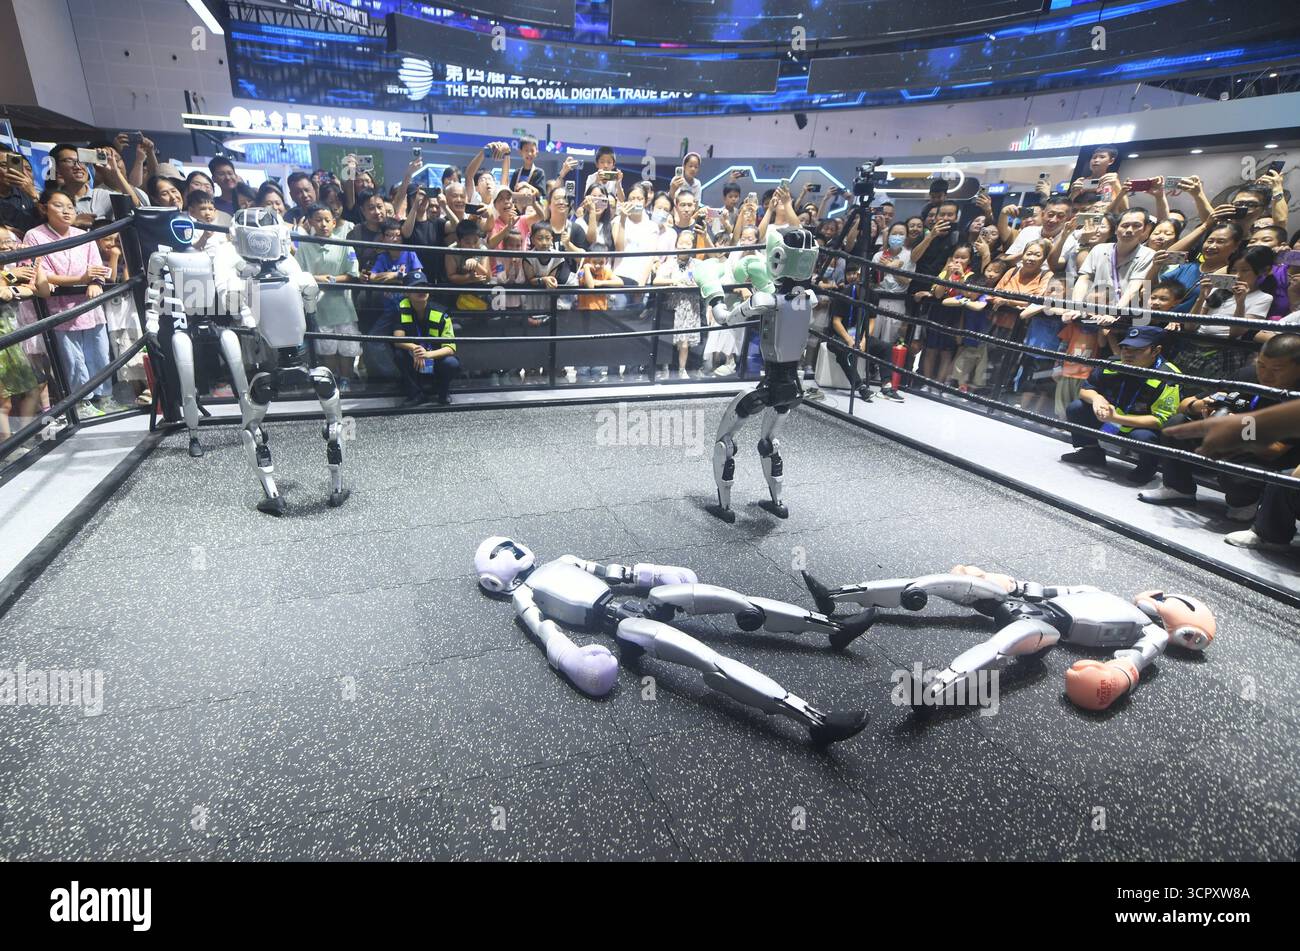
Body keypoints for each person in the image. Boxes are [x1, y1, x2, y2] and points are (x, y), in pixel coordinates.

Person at [1139, 332, 1300, 524]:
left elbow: (1274, 451)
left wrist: (1240, 428)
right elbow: (1184, 404)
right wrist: (1202, 406)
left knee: (1240, 464)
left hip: (1267, 459)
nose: (1265, 374)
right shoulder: (1247, 375)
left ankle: (1245, 503)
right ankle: (1178, 488)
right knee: (1178, 423)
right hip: (1231, 441)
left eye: (1277, 369)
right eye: (1261, 365)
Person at [20, 188, 117, 416]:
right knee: (72, 360)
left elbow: (96, 266)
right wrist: (80, 279)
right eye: (58, 205)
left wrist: (94, 281)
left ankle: (106, 398)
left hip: (88, 304)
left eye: (70, 207)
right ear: (44, 209)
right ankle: (82, 403)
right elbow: (38, 272)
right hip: (58, 306)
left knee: (100, 353)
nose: (66, 211)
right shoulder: (34, 235)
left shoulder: (83, 234)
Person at [1060, 326, 1182, 485]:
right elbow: (1086, 389)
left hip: (1138, 426)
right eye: (1125, 347)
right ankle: (1090, 451)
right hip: (1110, 418)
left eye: (1137, 349)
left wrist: (1118, 418)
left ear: (1155, 351)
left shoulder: (1169, 375)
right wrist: (1097, 399)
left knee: (1144, 437)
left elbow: (1161, 420)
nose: (1128, 353)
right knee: (1077, 407)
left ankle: (1147, 468)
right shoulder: (1113, 363)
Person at [296, 204, 362, 391]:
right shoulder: (304, 246)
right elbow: (298, 274)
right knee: (327, 346)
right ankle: (331, 380)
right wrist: (317, 279)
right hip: (319, 306)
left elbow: (352, 273)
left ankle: (346, 379)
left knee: (347, 346)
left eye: (327, 220)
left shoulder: (344, 244)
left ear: (334, 222)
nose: (323, 224)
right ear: (310, 222)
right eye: (318, 220)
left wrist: (331, 279)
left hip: (343, 304)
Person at [828, 262, 903, 402]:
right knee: (843, 349)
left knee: (885, 347)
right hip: (839, 335)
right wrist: (850, 340)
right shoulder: (844, 294)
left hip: (860, 335)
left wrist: (864, 340)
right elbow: (836, 322)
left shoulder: (873, 296)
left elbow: (872, 320)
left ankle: (886, 386)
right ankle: (860, 387)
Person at [391, 282, 459, 406]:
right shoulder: (400, 309)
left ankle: (443, 393)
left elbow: (450, 348)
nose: (421, 290)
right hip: (414, 359)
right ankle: (416, 395)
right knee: (399, 355)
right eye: (416, 288)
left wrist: (427, 354)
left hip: (435, 358)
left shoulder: (441, 313)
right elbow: (398, 340)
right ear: (407, 293)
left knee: (451, 363)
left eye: (424, 287)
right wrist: (416, 348)